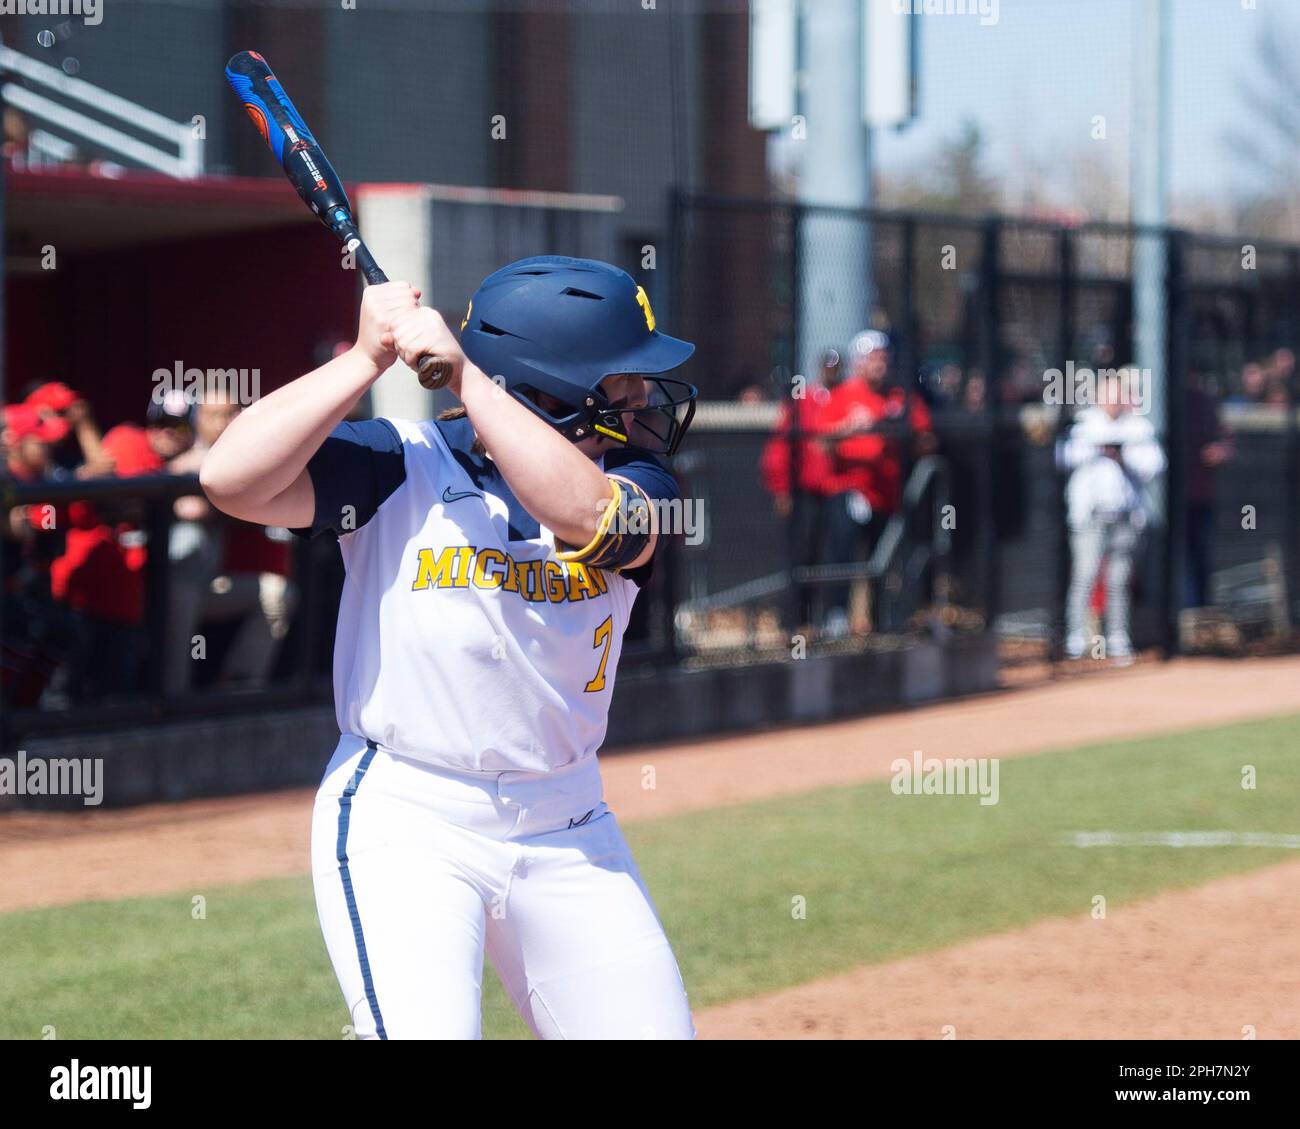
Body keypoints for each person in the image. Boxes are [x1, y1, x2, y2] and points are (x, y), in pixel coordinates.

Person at [200, 256, 698, 1040]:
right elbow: (230, 478)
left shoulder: (641, 481)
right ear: (551, 388)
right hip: (409, 820)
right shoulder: (399, 462)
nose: (643, 402)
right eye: (623, 385)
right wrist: (363, 360)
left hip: (569, 822)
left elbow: (597, 518)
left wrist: (470, 382)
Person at [824, 330, 936, 634]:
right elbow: (820, 442)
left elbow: (927, 440)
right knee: (843, 553)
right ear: (859, 362)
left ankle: (881, 622)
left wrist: (904, 433)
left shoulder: (901, 398)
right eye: (872, 357)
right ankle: (835, 618)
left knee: (883, 561)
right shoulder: (843, 395)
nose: (879, 363)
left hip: (888, 495)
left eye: (883, 357)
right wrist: (849, 428)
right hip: (850, 489)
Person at [1057, 369, 1166, 664]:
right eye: (1109, 395)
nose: (1114, 401)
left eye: (1119, 395)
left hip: (1126, 517)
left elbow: (1156, 465)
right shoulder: (1084, 425)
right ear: (1098, 397)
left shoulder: (1137, 428)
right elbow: (1063, 458)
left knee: (1119, 581)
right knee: (1085, 576)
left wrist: (1122, 454)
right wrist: (1099, 449)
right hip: (1089, 517)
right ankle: (1076, 640)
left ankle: (1118, 639)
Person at [759, 348, 850, 633]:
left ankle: (830, 619)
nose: (831, 371)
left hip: (836, 492)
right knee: (801, 555)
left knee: (834, 555)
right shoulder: (802, 401)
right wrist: (782, 489)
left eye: (836, 366)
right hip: (805, 493)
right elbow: (779, 449)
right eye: (827, 366)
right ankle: (794, 621)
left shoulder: (845, 399)